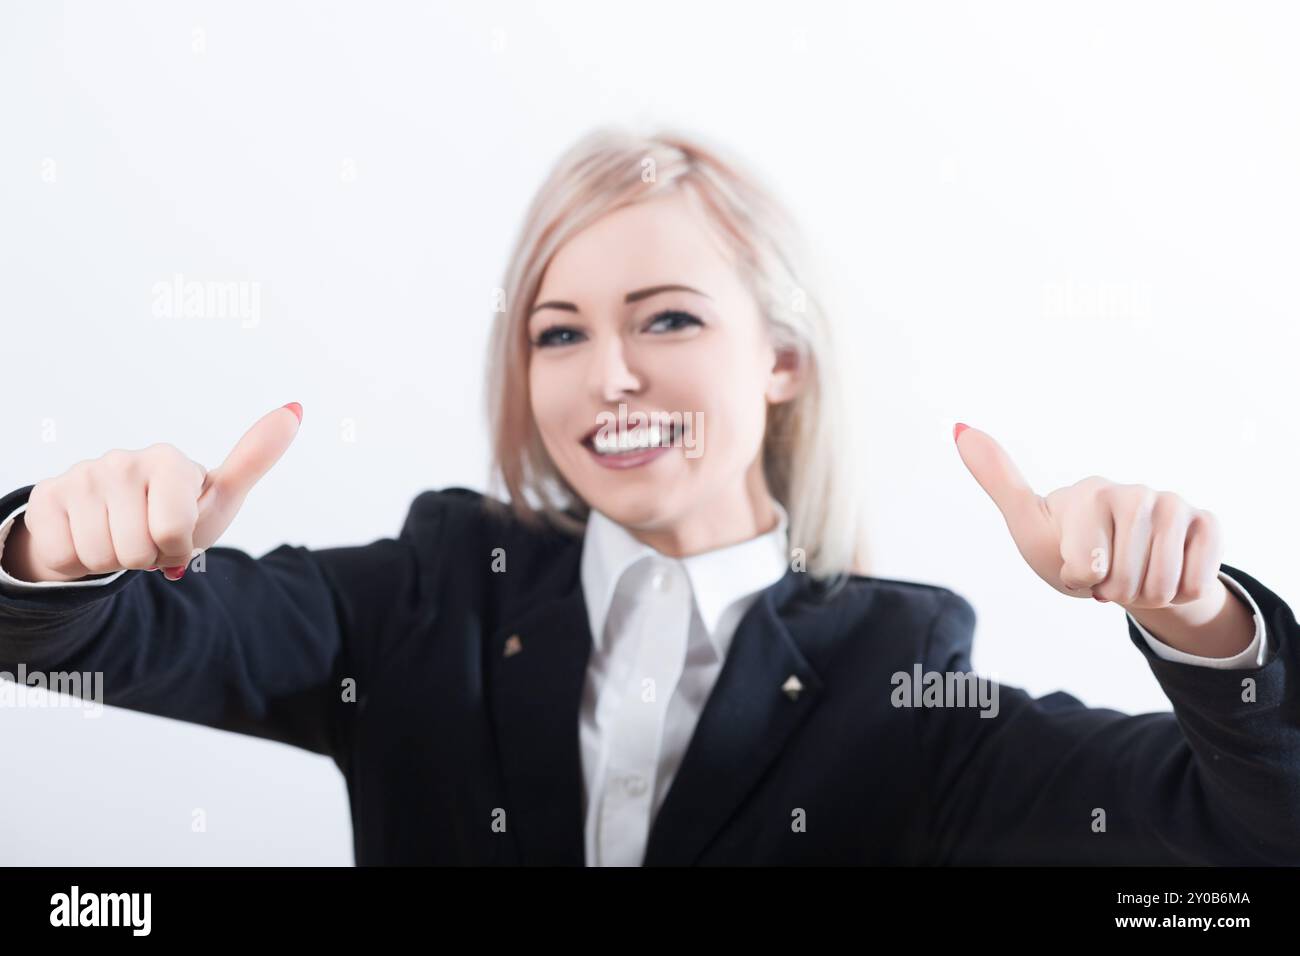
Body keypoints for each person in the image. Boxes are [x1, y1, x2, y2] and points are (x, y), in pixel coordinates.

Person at [0, 127, 1296, 866]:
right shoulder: (431, 591)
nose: (608, 375)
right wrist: (58, 554)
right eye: (558, 335)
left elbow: (1254, 835)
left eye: (666, 318)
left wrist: (1199, 626)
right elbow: (90, 640)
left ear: (781, 359)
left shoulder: (903, 675)